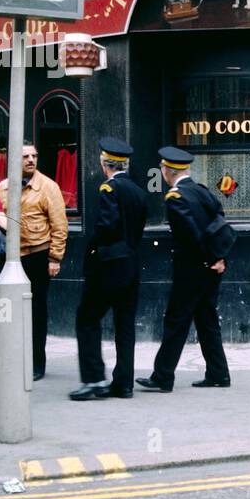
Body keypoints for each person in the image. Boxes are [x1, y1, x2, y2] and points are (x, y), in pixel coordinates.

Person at [138, 147, 232, 393]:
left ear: (168, 171)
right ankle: (218, 373)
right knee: (207, 320)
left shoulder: (175, 197)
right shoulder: (201, 191)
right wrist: (219, 257)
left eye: (161, 168)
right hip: (212, 269)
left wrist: (210, 257)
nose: (161, 171)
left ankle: (162, 376)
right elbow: (219, 220)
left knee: (176, 321)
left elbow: (191, 236)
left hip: (191, 271)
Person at [71, 138, 150, 399]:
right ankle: (124, 383)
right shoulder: (138, 191)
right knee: (124, 325)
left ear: (105, 164)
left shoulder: (109, 188)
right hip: (130, 263)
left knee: (87, 318)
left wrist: (93, 248)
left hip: (107, 266)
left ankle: (94, 379)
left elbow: (106, 226)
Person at [0, 142, 68, 380]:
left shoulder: (48, 186)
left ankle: (37, 363)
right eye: (25, 156)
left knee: (36, 311)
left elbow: (60, 225)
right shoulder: (4, 187)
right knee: (12, 312)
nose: (31, 160)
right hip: (12, 256)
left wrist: (55, 258)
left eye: (34, 155)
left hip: (38, 254)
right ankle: (15, 359)